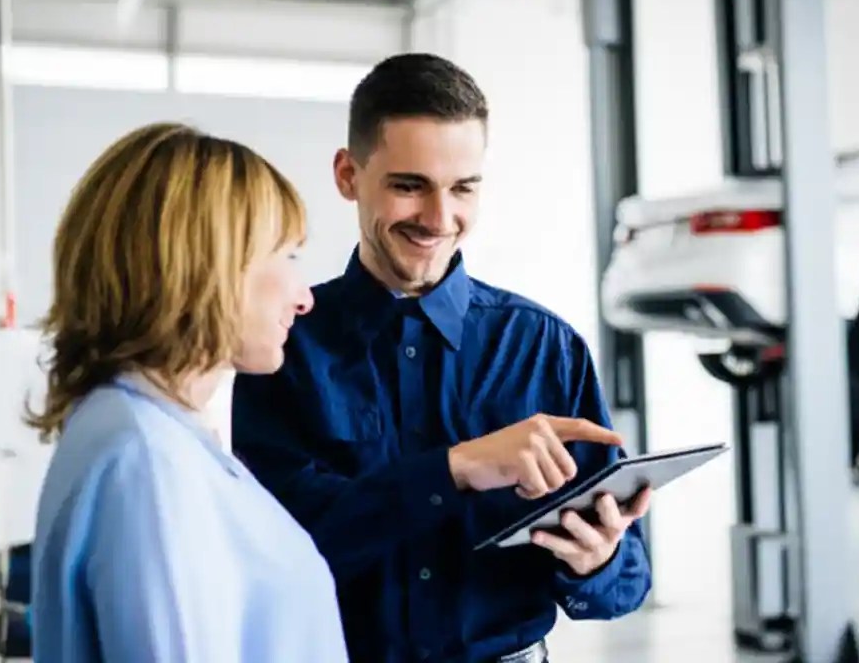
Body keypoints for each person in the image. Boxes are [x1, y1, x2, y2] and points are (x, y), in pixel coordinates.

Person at [232, 53, 652, 663]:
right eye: (409, 186)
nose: (438, 219)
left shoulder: (544, 348)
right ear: (348, 175)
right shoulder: (281, 346)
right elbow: (280, 548)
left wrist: (600, 559)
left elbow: (627, 584)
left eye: (463, 189)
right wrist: (455, 468)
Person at [27, 122, 348, 663]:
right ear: (210, 264)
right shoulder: (147, 460)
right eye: (288, 256)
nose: (304, 297)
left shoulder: (146, 432)